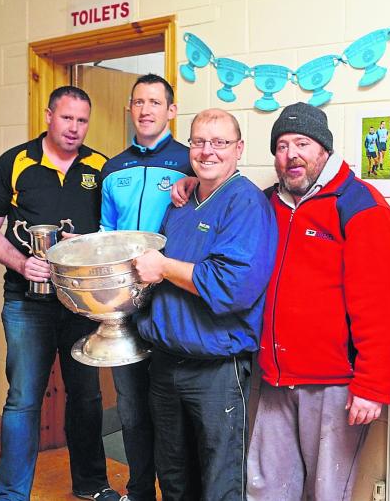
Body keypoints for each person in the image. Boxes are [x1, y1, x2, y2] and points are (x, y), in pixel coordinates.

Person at [246, 102, 390, 500]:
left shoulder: (361, 205)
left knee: (328, 492)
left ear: (324, 150)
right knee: (266, 489)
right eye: (281, 146)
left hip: (334, 383)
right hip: (275, 378)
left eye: (302, 143)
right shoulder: (266, 204)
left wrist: (371, 386)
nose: (291, 155)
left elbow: (383, 303)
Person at [0, 86, 120, 501]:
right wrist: (21, 263)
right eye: (66, 117)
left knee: (87, 398)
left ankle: (91, 487)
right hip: (26, 304)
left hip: (81, 306)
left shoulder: (99, 167)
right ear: (49, 116)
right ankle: (12, 494)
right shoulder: (15, 163)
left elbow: (112, 234)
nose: (74, 128)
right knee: (22, 400)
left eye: (82, 120)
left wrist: (84, 244)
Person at [132, 108, 277, 500]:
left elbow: (232, 287)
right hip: (164, 364)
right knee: (175, 479)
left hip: (215, 370)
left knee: (220, 483)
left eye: (220, 143)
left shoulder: (245, 204)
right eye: (199, 141)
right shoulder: (180, 202)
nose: (207, 151)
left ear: (239, 149)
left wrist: (162, 266)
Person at [99, 74, 193, 501]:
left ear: (171, 110)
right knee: (132, 408)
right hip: (124, 305)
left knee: (172, 410)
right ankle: (138, 492)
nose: (146, 109)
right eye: (138, 101)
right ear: (130, 108)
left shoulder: (192, 162)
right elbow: (104, 235)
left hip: (173, 302)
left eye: (155, 102)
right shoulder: (112, 167)